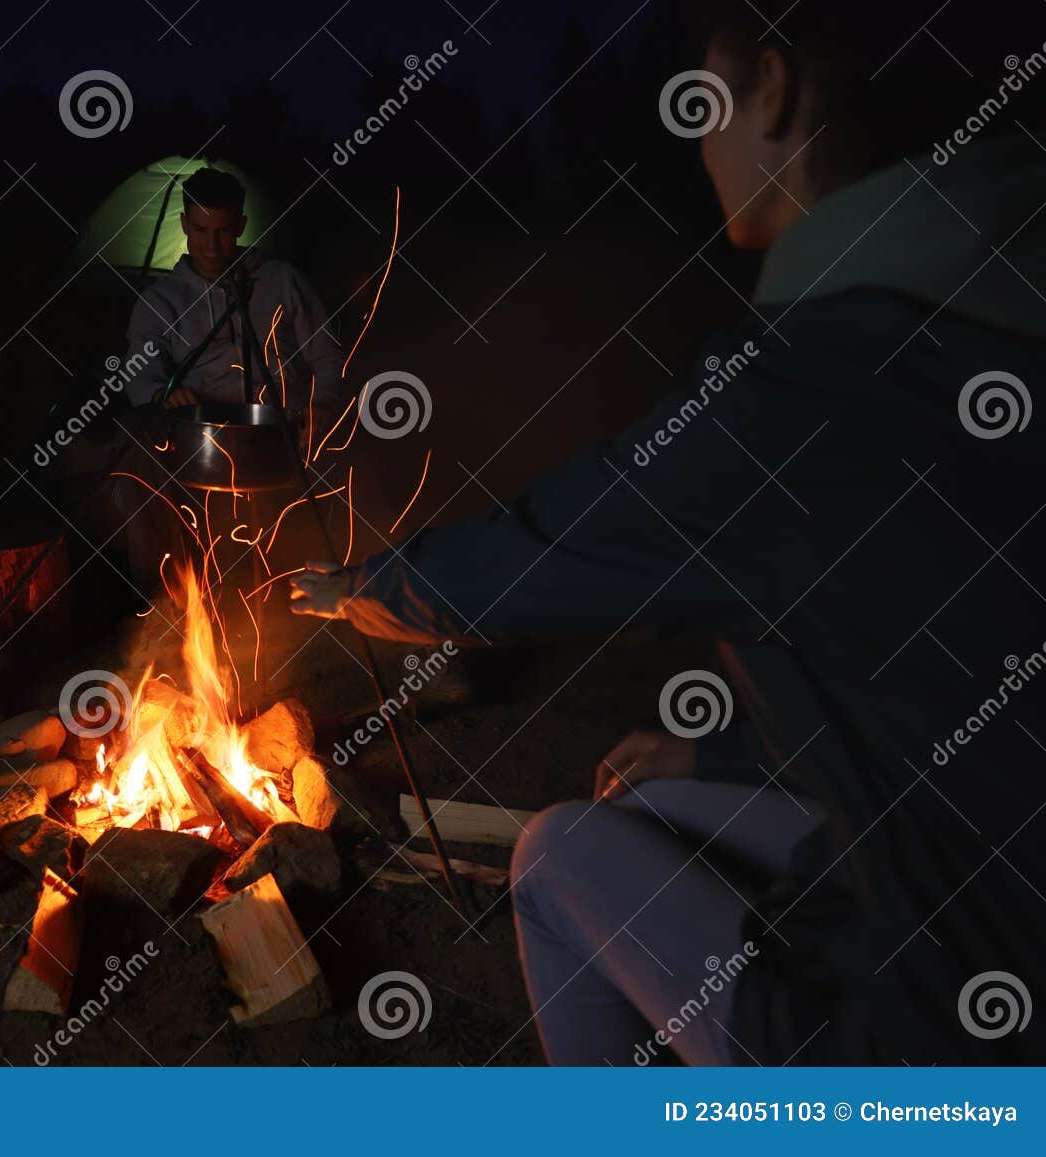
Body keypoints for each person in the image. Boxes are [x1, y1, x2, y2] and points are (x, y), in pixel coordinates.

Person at [290, 4, 1046, 1064]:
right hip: (963, 861)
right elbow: (932, 669)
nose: (699, 142)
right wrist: (719, 745)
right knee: (664, 790)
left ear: (771, 92)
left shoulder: (808, 386)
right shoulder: (989, 308)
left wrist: (361, 587)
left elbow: (538, 553)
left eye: (705, 100)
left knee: (554, 851)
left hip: (947, 1024)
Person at [123, 167, 344, 412]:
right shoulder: (160, 301)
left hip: (282, 429)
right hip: (202, 433)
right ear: (185, 224)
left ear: (240, 226)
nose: (211, 246)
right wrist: (160, 394)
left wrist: (322, 403)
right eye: (200, 230)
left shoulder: (282, 280)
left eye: (223, 231)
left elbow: (327, 355)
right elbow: (139, 371)